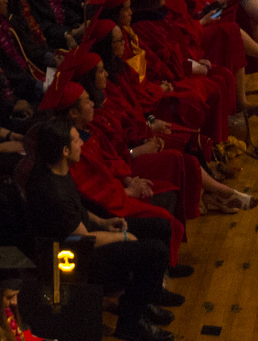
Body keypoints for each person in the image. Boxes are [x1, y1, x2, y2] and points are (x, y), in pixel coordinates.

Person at [21, 120, 178, 341]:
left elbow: (80, 211)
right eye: (76, 141)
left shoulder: (60, 169)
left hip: (83, 237)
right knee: (155, 251)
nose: (81, 145)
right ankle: (131, 322)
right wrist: (122, 237)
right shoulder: (51, 191)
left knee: (159, 226)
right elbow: (81, 238)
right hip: (71, 258)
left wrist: (104, 223)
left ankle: (147, 299)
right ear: (65, 150)